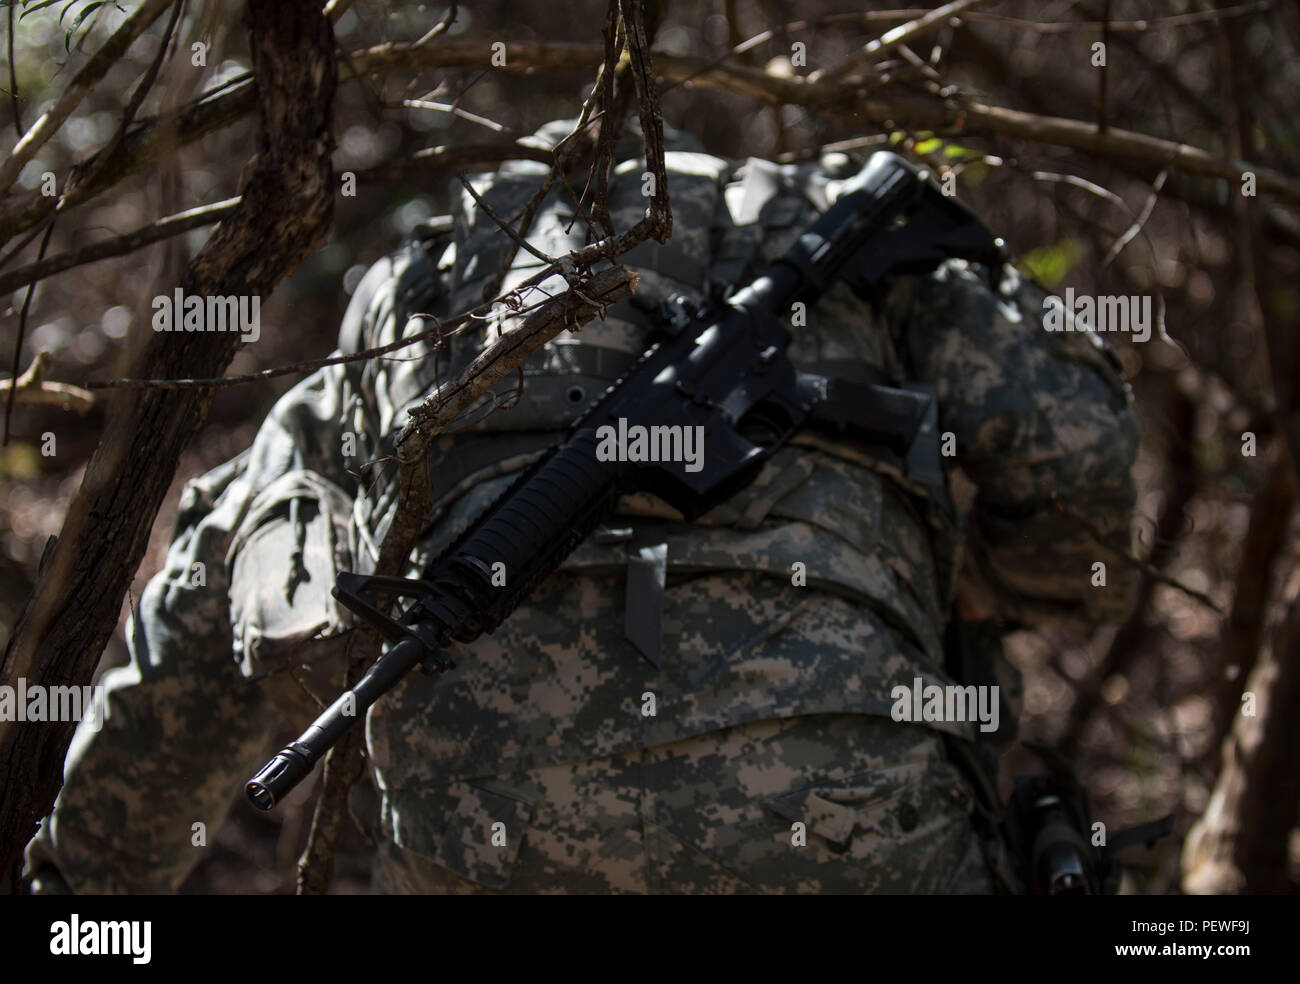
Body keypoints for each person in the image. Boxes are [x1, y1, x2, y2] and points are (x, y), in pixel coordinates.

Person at [25, 117, 1139, 894]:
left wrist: (85, 894)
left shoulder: (420, 289)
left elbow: (220, 586)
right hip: (851, 823)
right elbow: (1075, 448)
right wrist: (985, 590)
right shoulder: (810, 215)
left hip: (479, 841)